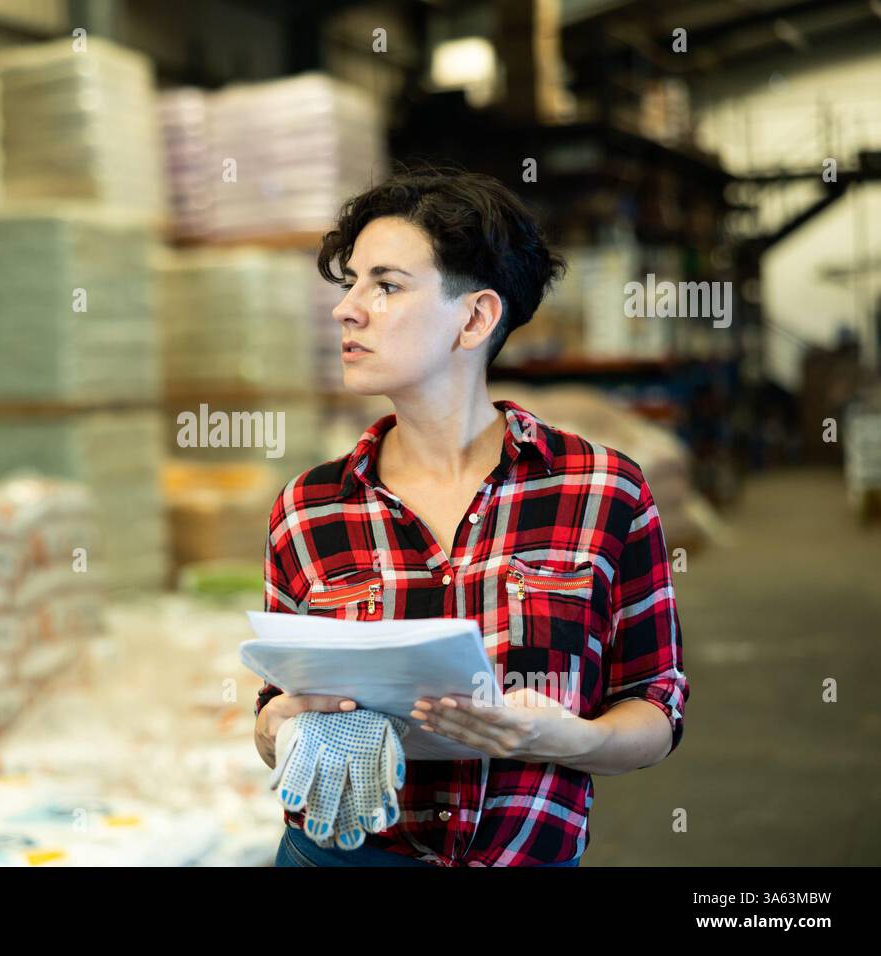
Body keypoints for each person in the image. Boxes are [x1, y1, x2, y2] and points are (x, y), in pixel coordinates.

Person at [253, 166, 690, 867]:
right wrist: (280, 725)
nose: (347, 309)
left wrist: (566, 739)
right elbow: (275, 709)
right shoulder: (309, 509)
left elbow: (655, 704)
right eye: (350, 283)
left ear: (477, 318)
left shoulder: (601, 491)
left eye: (386, 285)